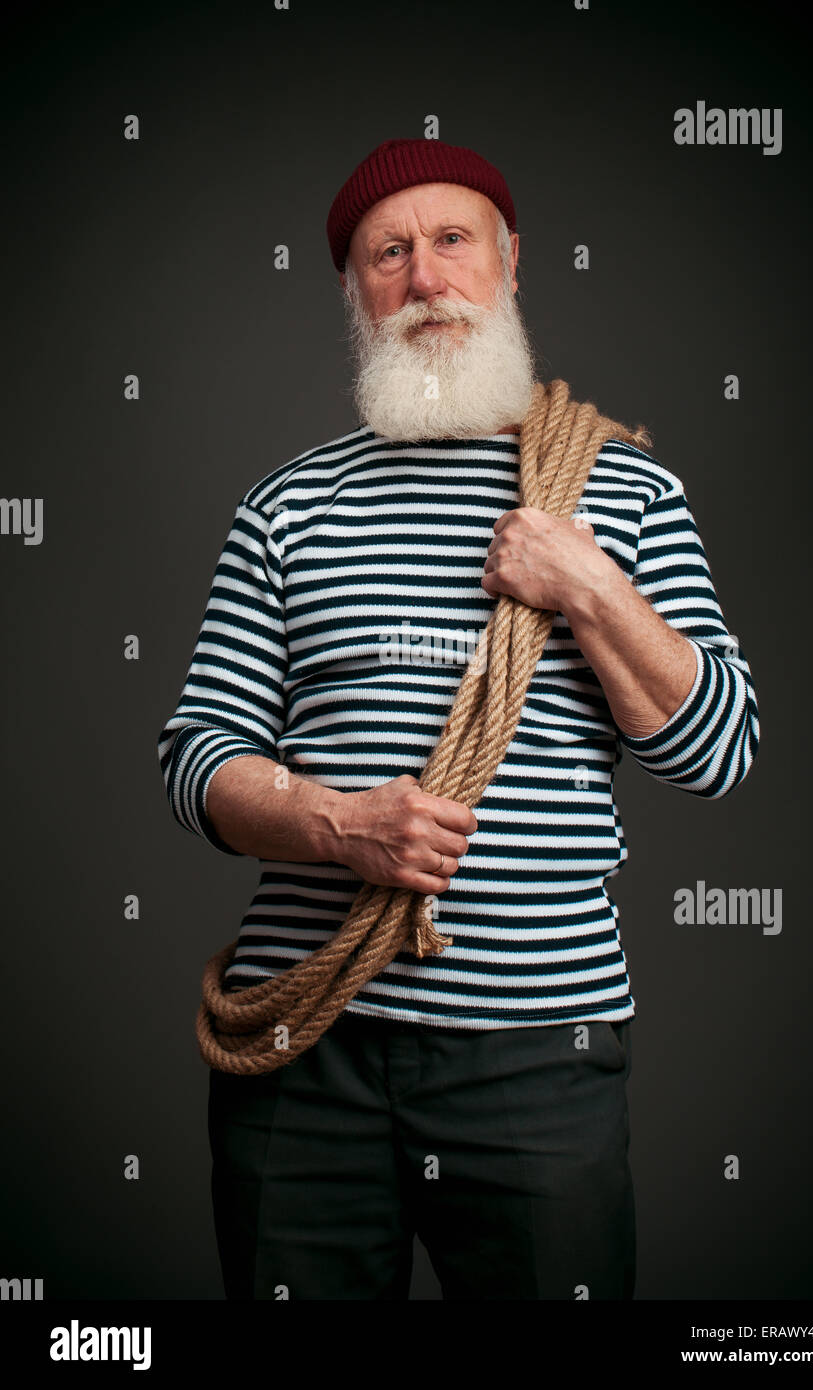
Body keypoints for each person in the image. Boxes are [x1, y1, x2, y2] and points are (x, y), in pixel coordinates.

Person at [157, 137, 760, 1301]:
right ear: (354, 290)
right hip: (303, 1051)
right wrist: (339, 825)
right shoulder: (288, 505)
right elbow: (199, 761)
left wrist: (584, 584)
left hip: (535, 1051)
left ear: (509, 262)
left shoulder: (624, 494)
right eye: (388, 253)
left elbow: (718, 747)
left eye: (451, 242)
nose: (425, 278)